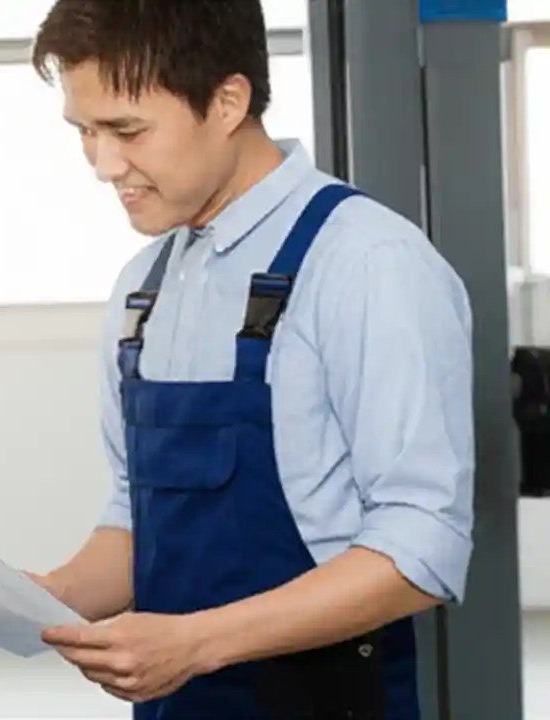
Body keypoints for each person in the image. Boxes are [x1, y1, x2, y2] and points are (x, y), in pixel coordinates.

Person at [26, 2, 475, 718]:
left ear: (228, 101)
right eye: (85, 132)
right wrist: (48, 599)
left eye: (127, 130)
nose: (103, 165)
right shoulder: (144, 287)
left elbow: (423, 544)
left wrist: (197, 644)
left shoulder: (367, 262)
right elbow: (134, 510)